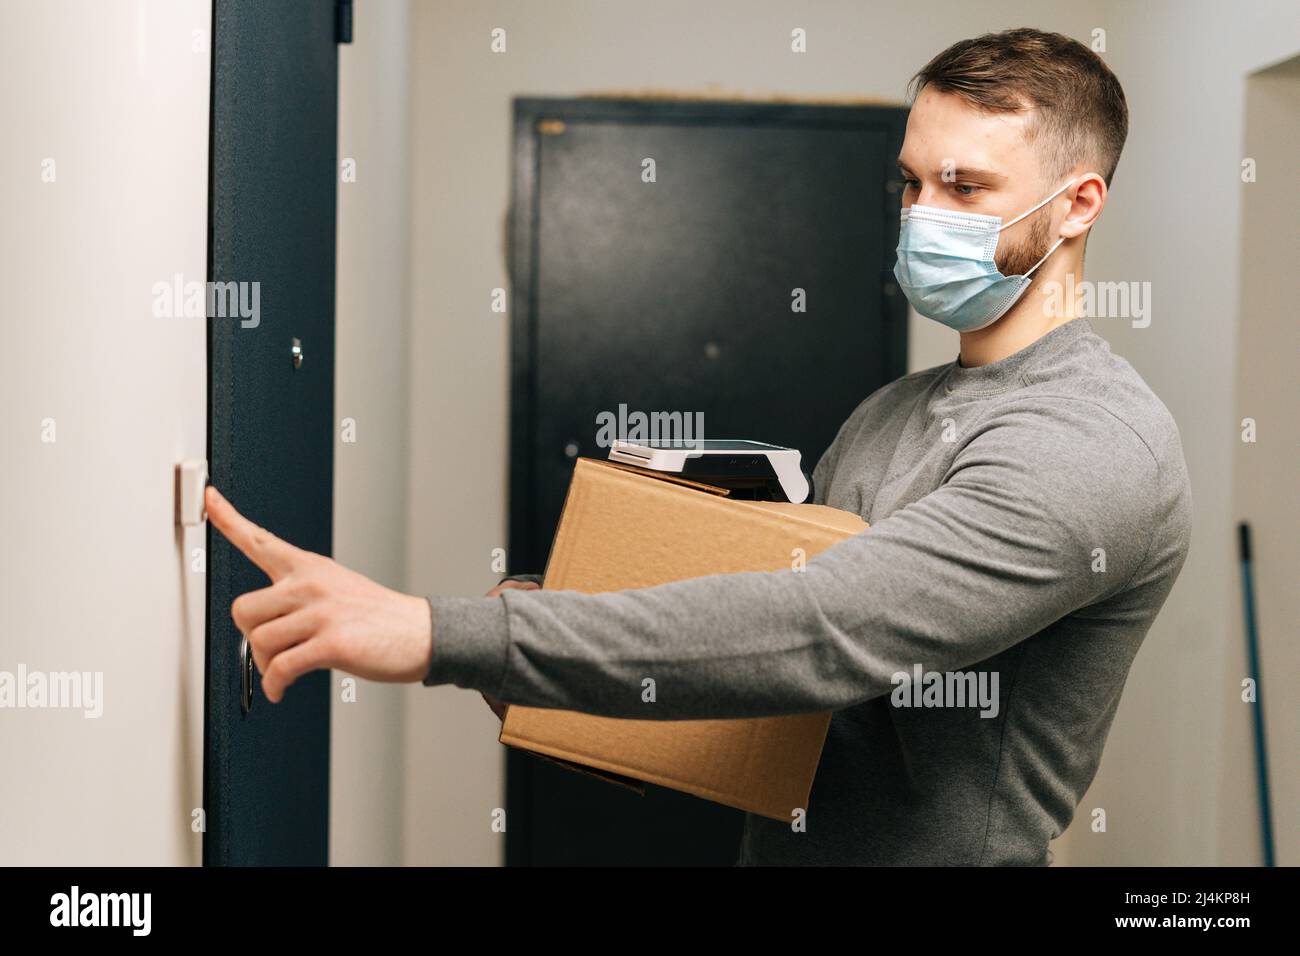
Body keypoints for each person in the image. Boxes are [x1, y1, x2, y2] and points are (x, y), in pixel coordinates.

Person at [206, 27, 1191, 866]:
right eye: (911, 181)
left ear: (1076, 204)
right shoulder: (894, 409)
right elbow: (766, 658)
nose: (922, 215)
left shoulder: (1092, 444)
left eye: (966, 187)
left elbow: (820, 630)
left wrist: (439, 634)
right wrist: (556, 627)